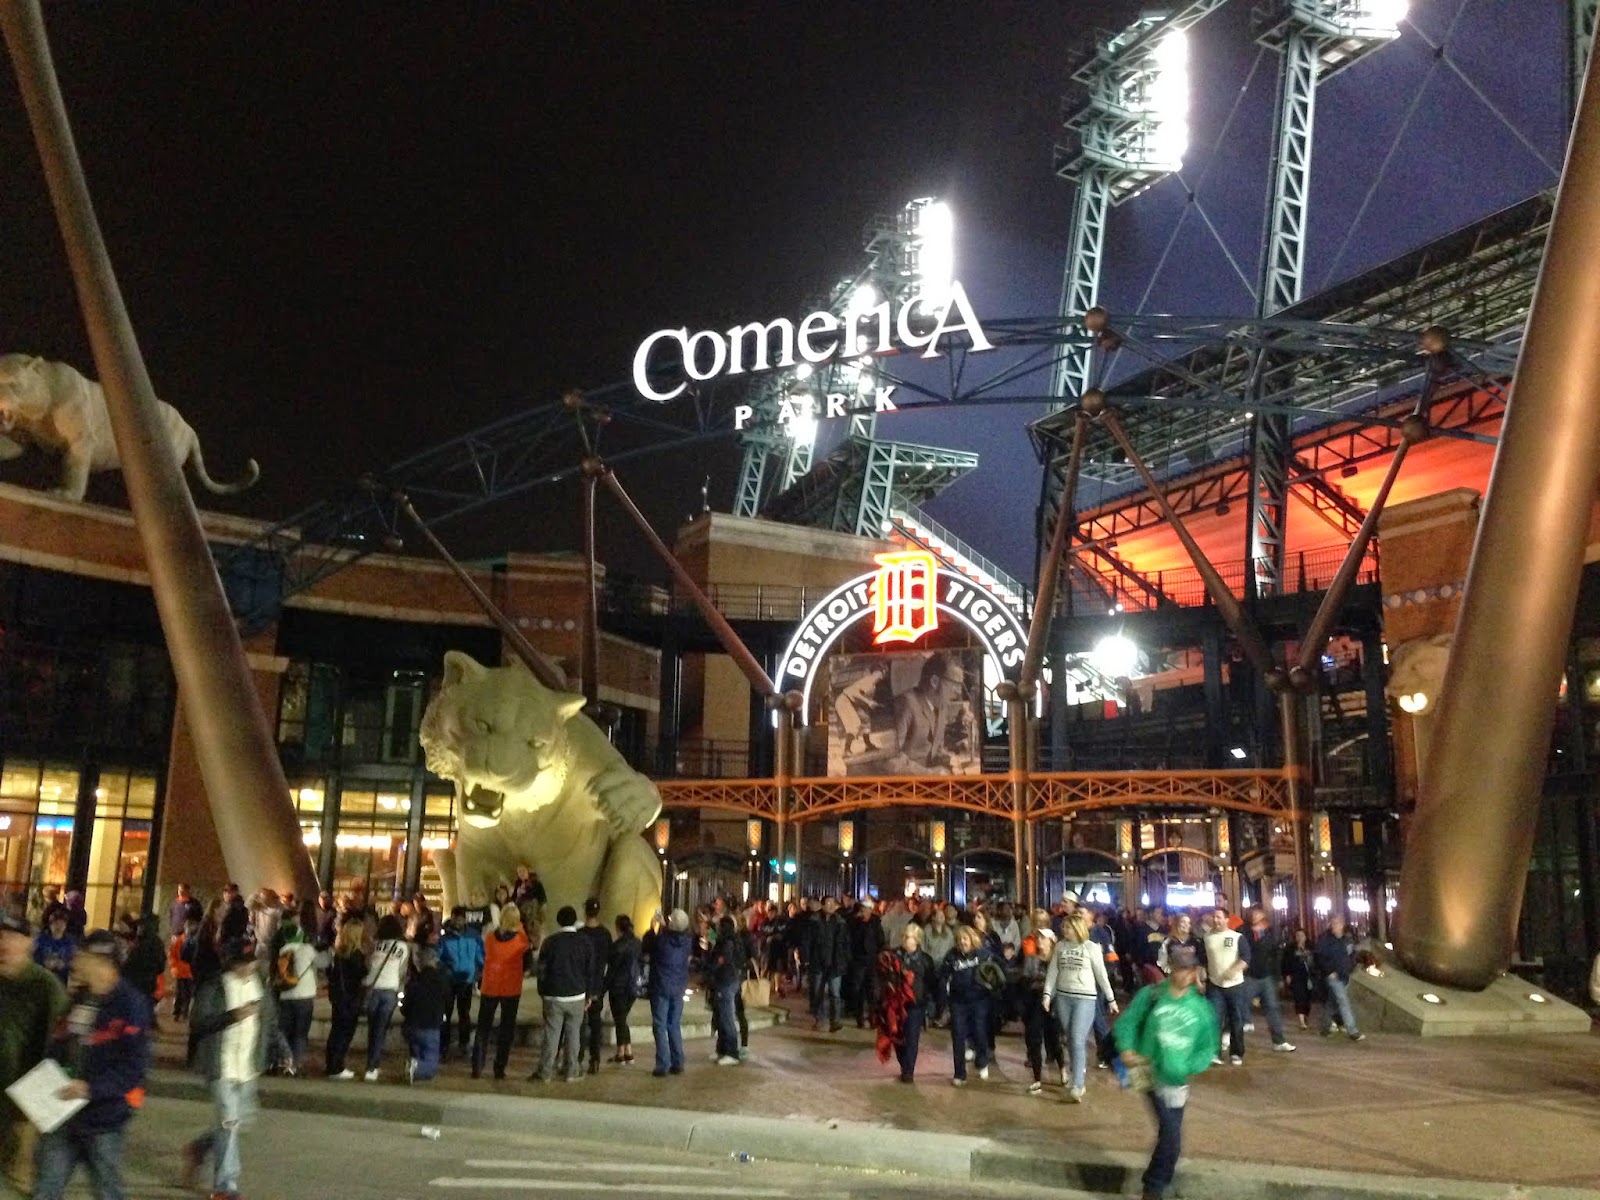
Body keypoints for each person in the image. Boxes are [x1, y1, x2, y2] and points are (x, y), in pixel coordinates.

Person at [33, 930, 150, 1200]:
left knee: (108, 1193)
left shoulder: (130, 1005)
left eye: (81, 957)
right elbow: (58, 1046)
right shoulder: (79, 999)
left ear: (102, 963)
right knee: (45, 1191)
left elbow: (133, 1068)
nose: (75, 962)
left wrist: (89, 1088)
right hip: (62, 1115)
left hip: (103, 1121)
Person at [1115, 944, 1219, 1200]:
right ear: (1170, 968)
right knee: (1172, 1136)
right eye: (1179, 969)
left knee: (1169, 1135)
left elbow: (1207, 1048)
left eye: (1189, 970)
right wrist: (1127, 1049)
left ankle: (1155, 1183)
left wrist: (1187, 1066)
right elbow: (1127, 1024)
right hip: (1146, 1070)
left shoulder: (1201, 1009)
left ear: (1196, 972)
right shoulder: (1150, 995)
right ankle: (1153, 1188)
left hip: (1176, 1078)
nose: (1183, 975)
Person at [183, 938, 271, 1200]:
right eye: (243, 963)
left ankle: (199, 1148)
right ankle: (225, 1187)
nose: (249, 967)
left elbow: (270, 1020)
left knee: (238, 1120)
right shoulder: (214, 985)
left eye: (252, 961)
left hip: (247, 1066)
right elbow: (198, 1022)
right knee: (229, 1122)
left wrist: (282, 1050)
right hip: (221, 1065)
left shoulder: (260, 983)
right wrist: (233, 1015)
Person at [1, 915, 69, 1195]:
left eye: (11, 937)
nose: (3, 944)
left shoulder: (45, 986)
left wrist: (39, 1115)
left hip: (23, 1111)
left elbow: (65, 1050)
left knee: (20, 1185)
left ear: (29, 943)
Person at [1044, 910, 1118, 1102]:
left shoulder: (1091, 947)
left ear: (1077, 928)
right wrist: (1047, 994)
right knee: (1070, 1039)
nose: (1064, 930)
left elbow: (1101, 974)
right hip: (1063, 997)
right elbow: (1053, 971)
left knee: (1077, 1038)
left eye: (1067, 927)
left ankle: (1078, 1084)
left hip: (1085, 998)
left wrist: (1111, 998)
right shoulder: (1060, 946)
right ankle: (1075, 1074)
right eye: (1064, 927)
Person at [533, 905, 592, 1083]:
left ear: (558, 921)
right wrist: (589, 994)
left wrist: (542, 991)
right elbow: (590, 971)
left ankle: (545, 1071)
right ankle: (571, 1070)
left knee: (552, 1034)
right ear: (574, 920)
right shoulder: (584, 942)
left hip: (554, 995)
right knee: (573, 1034)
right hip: (576, 995)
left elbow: (541, 970)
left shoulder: (550, 942)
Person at [474, 905, 530, 1081]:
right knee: (506, 1029)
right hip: (510, 988)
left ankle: (477, 1066)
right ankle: (499, 1067)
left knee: (483, 1027)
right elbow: (527, 965)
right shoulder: (521, 941)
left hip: (490, 986)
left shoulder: (490, 938)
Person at [877, 923, 934, 1083]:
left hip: (916, 1004)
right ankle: (904, 1064)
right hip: (895, 1004)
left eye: (909, 937)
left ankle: (908, 1071)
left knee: (912, 1038)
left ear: (917, 940)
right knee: (898, 1038)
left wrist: (930, 1002)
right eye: (904, 936)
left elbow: (930, 982)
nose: (905, 940)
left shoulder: (925, 960)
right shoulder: (893, 956)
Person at [1200, 906, 1251, 1066]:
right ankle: (1214, 1052)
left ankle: (1237, 1052)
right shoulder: (1207, 938)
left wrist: (1234, 970)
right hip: (1215, 985)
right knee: (1214, 1019)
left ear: (1227, 919)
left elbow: (1246, 957)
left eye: (1219, 917)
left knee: (1236, 1019)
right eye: (1214, 917)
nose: (1216, 920)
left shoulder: (1237, 937)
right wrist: (1200, 980)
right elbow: (1202, 961)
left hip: (1235, 985)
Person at [362, 915, 411, 1081]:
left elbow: (367, 965)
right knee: (380, 1029)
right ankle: (372, 1066)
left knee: (372, 1028)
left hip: (372, 989)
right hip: (390, 989)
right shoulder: (403, 947)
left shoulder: (375, 945)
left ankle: (371, 1064)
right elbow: (402, 970)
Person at [941, 925, 992, 1087]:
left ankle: (982, 1062)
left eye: (965, 938)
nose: (963, 942)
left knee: (979, 1030)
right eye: (960, 939)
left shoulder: (982, 954)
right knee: (957, 1035)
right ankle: (959, 1073)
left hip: (978, 1000)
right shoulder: (951, 957)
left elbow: (993, 972)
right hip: (958, 1001)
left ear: (971, 939)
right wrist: (944, 999)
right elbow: (944, 978)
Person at [1243, 908, 1296, 1052]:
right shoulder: (1244, 932)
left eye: (1260, 916)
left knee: (1272, 1008)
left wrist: (1278, 976)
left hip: (1266, 976)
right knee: (1240, 1005)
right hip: (1250, 976)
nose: (1258, 919)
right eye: (1255, 916)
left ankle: (1278, 1041)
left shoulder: (1270, 934)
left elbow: (1276, 955)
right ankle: (1229, 1035)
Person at [648, 908, 693, 1077]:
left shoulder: (661, 942)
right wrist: (666, 925)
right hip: (678, 986)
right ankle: (678, 1061)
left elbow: (650, 944)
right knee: (674, 1024)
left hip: (661, 986)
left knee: (660, 1025)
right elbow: (675, 935)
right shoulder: (687, 941)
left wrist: (654, 927)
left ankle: (662, 1064)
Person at [1020, 927, 1064, 1094]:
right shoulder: (1031, 960)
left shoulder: (1057, 959)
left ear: (1051, 941)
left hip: (1053, 1003)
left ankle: (1062, 1069)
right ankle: (1037, 1079)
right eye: (1038, 938)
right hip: (1035, 1002)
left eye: (1043, 938)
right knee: (1035, 1040)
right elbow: (1025, 981)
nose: (1039, 941)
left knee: (1053, 1039)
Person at [437, 906, 484, 1061]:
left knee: (464, 1013)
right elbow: (438, 958)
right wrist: (445, 971)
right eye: (456, 918)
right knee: (446, 1013)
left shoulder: (473, 936)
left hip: (466, 981)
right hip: (449, 981)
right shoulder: (445, 938)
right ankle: (443, 1045)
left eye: (461, 918)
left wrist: (478, 973)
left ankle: (464, 1044)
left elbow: (480, 956)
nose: (458, 921)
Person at [272, 919, 318, 1076]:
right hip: (305, 996)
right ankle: (295, 1064)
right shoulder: (307, 950)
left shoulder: (282, 951)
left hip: (286, 995)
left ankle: (283, 1060)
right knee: (300, 1032)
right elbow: (321, 962)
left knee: (284, 1030)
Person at [323, 919, 367, 1080]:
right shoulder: (356, 955)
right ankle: (337, 1066)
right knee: (345, 1032)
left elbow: (331, 974)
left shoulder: (338, 953)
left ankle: (332, 1064)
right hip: (351, 998)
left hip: (338, 997)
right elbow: (360, 976)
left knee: (336, 1031)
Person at [403, 947, 452, 1084]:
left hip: (412, 1024)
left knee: (417, 1051)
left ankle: (415, 1066)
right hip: (430, 1024)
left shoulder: (414, 981)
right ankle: (418, 1069)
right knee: (431, 1059)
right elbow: (447, 1000)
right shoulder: (441, 981)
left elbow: (406, 1004)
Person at [1314, 915, 1365, 1041]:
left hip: (1344, 975)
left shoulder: (1345, 940)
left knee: (1332, 1003)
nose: (1335, 926)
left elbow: (1351, 955)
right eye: (1333, 923)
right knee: (1343, 1001)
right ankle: (1352, 1030)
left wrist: (1350, 967)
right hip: (1334, 977)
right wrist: (1329, 971)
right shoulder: (1325, 940)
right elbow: (1319, 957)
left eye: (1338, 923)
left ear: (1342, 925)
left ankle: (1324, 1027)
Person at [577, 898, 613, 1074]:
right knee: (595, 1022)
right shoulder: (605, 934)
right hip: (597, 982)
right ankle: (595, 1058)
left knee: (580, 1023)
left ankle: (578, 1057)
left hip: (581, 983)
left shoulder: (580, 933)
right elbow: (609, 959)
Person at [707, 915, 746, 1066]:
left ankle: (731, 1052)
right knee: (721, 1017)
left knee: (726, 1018)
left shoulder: (727, 942)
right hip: (727, 981)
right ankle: (722, 1050)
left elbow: (721, 961)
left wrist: (709, 967)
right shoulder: (730, 940)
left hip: (726, 981)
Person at [604, 915, 643, 1065]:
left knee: (620, 1019)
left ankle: (623, 1052)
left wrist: (603, 987)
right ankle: (626, 1050)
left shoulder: (617, 946)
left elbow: (611, 970)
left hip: (618, 987)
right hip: (633, 986)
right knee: (622, 1019)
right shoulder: (637, 943)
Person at [810, 896, 850, 1032]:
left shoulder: (840, 922)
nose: (831, 906)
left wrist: (845, 960)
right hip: (818, 962)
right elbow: (808, 941)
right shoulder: (814, 921)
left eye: (833, 903)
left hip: (835, 963)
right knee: (817, 993)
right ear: (822, 905)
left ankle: (835, 1021)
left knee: (835, 994)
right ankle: (819, 1019)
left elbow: (845, 943)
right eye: (828, 903)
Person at [845, 897, 885, 1028]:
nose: (864, 911)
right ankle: (859, 1016)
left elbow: (880, 940)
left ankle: (872, 1017)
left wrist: (880, 954)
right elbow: (850, 940)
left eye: (866, 909)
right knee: (858, 990)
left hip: (872, 960)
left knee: (872, 991)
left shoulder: (875, 922)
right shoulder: (854, 923)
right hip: (858, 960)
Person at [920, 905, 955, 1026]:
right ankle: (929, 1014)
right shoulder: (927, 931)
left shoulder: (948, 932)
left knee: (942, 990)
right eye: (938, 916)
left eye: (942, 916)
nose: (941, 918)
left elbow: (951, 947)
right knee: (929, 991)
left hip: (943, 966)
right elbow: (923, 947)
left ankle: (941, 1014)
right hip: (930, 965)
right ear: (933, 917)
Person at [33, 908, 75, 987]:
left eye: (62, 924)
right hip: (42, 979)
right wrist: (43, 963)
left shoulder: (69, 943)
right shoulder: (41, 940)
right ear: (50, 925)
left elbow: (71, 960)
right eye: (56, 924)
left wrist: (64, 964)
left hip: (61, 981)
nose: (58, 927)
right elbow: (34, 957)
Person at [1284, 927, 1315, 1030]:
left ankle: (1306, 1015)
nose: (1300, 938)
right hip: (1296, 976)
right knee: (1299, 997)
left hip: (1309, 976)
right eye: (1297, 935)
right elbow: (1285, 962)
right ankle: (1301, 1021)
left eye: (1302, 935)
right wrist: (1287, 975)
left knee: (1307, 998)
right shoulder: (1290, 949)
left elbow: (1315, 961)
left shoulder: (1310, 947)